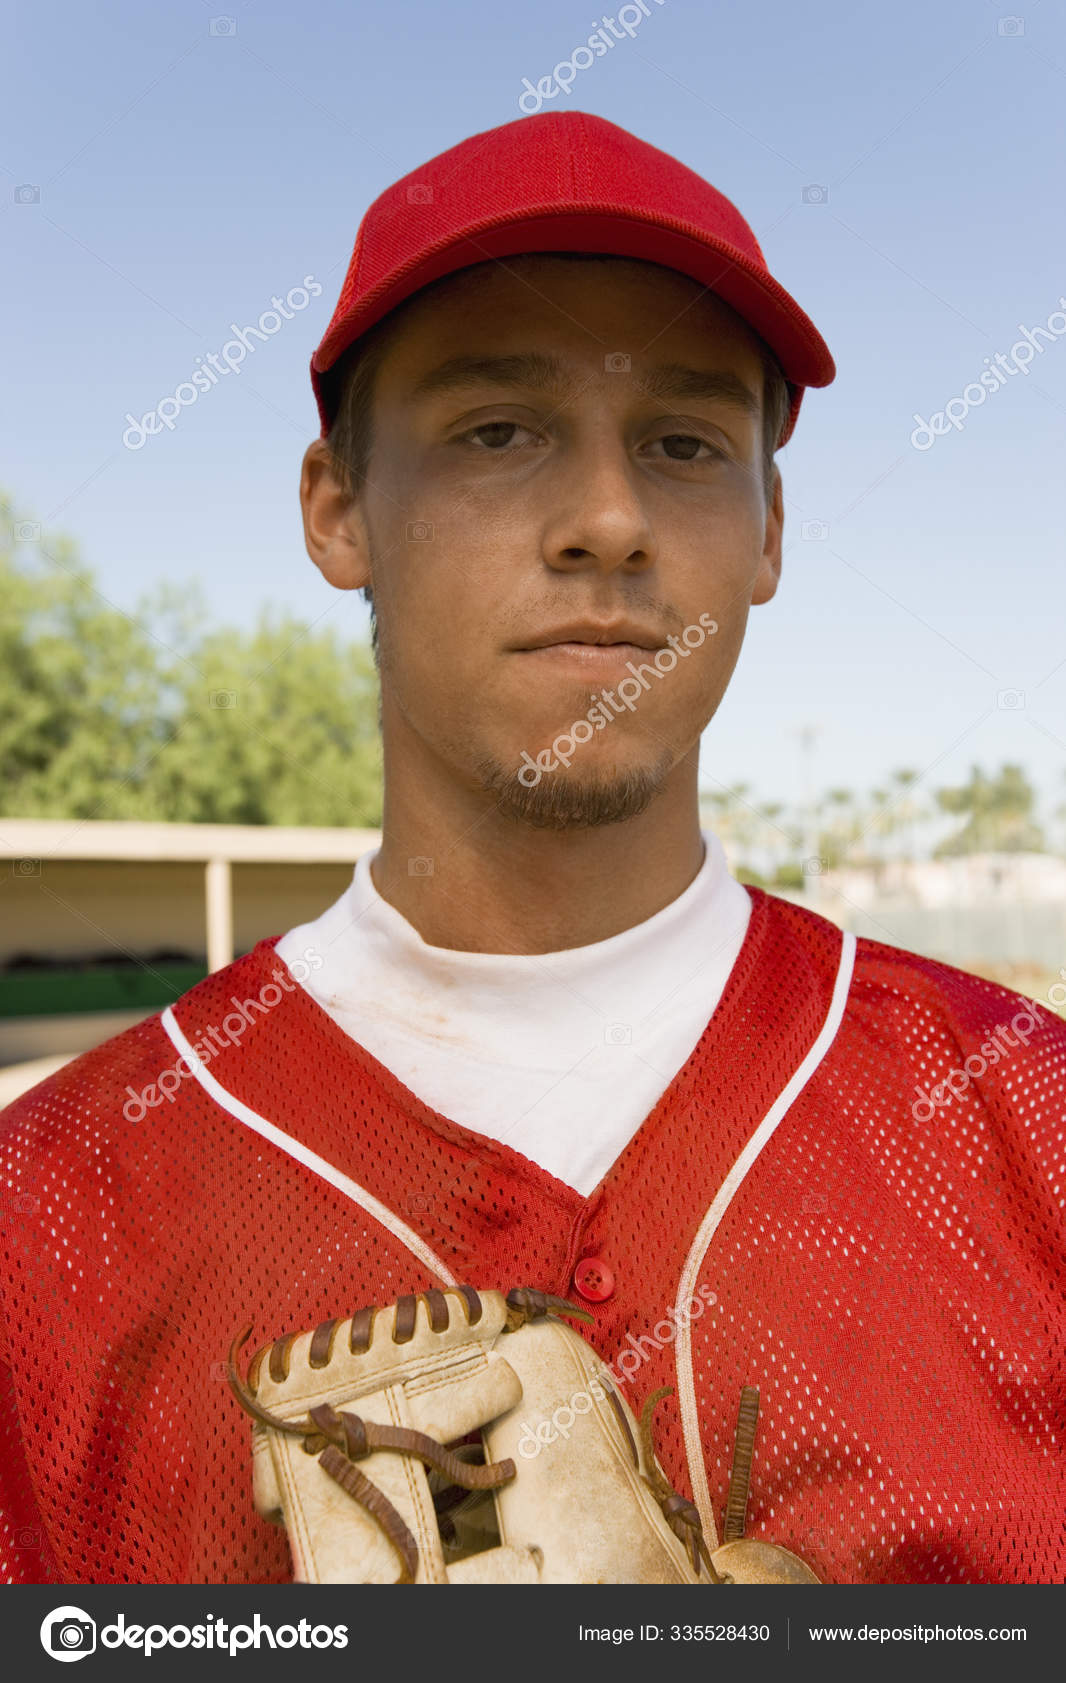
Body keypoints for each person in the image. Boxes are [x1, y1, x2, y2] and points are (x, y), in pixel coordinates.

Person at [1, 110, 1062, 1587]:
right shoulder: (42, 1222)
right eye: (496, 430)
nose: (611, 519)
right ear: (336, 509)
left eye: (686, 443)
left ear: (766, 530)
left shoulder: (1024, 1126)